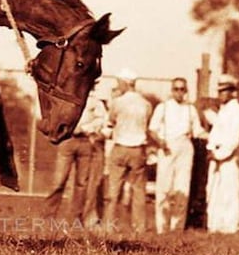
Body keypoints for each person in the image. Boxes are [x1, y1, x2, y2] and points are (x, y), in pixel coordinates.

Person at [148, 77, 205, 233]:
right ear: (172, 90)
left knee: (182, 187)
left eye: (182, 89)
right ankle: (162, 227)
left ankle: (177, 226)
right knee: (163, 187)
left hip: (185, 146)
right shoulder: (163, 107)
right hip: (167, 146)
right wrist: (161, 142)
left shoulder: (190, 109)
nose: (179, 92)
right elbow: (152, 129)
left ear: (186, 91)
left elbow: (198, 130)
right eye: (176, 89)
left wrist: (211, 136)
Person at [42, 89, 102, 229]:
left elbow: (101, 119)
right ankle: (47, 218)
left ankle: (74, 219)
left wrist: (87, 128)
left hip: (85, 141)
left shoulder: (95, 101)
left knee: (82, 183)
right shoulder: (67, 98)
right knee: (59, 180)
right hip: (67, 140)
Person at [103, 68, 153, 233]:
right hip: (138, 149)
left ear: (125, 83)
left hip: (120, 147)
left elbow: (111, 121)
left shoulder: (118, 103)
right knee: (138, 190)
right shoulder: (146, 104)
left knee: (113, 190)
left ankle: (109, 226)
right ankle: (139, 227)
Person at [205, 75, 239, 234]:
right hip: (216, 153)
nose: (221, 94)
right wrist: (212, 149)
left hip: (228, 156)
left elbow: (234, 137)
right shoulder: (223, 110)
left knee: (230, 191)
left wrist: (220, 154)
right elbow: (216, 133)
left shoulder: (236, 110)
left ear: (232, 92)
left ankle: (230, 226)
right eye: (219, 91)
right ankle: (215, 225)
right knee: (214, 191)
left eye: (225, 91)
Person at [78, 87, 109, 228]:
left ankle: (92, 218)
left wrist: (89, 130)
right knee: (88, 184)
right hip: (92, 146)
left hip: (98, 146)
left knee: (95, 185)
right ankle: (86, 218)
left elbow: (105, 127)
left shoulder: (99, 105)